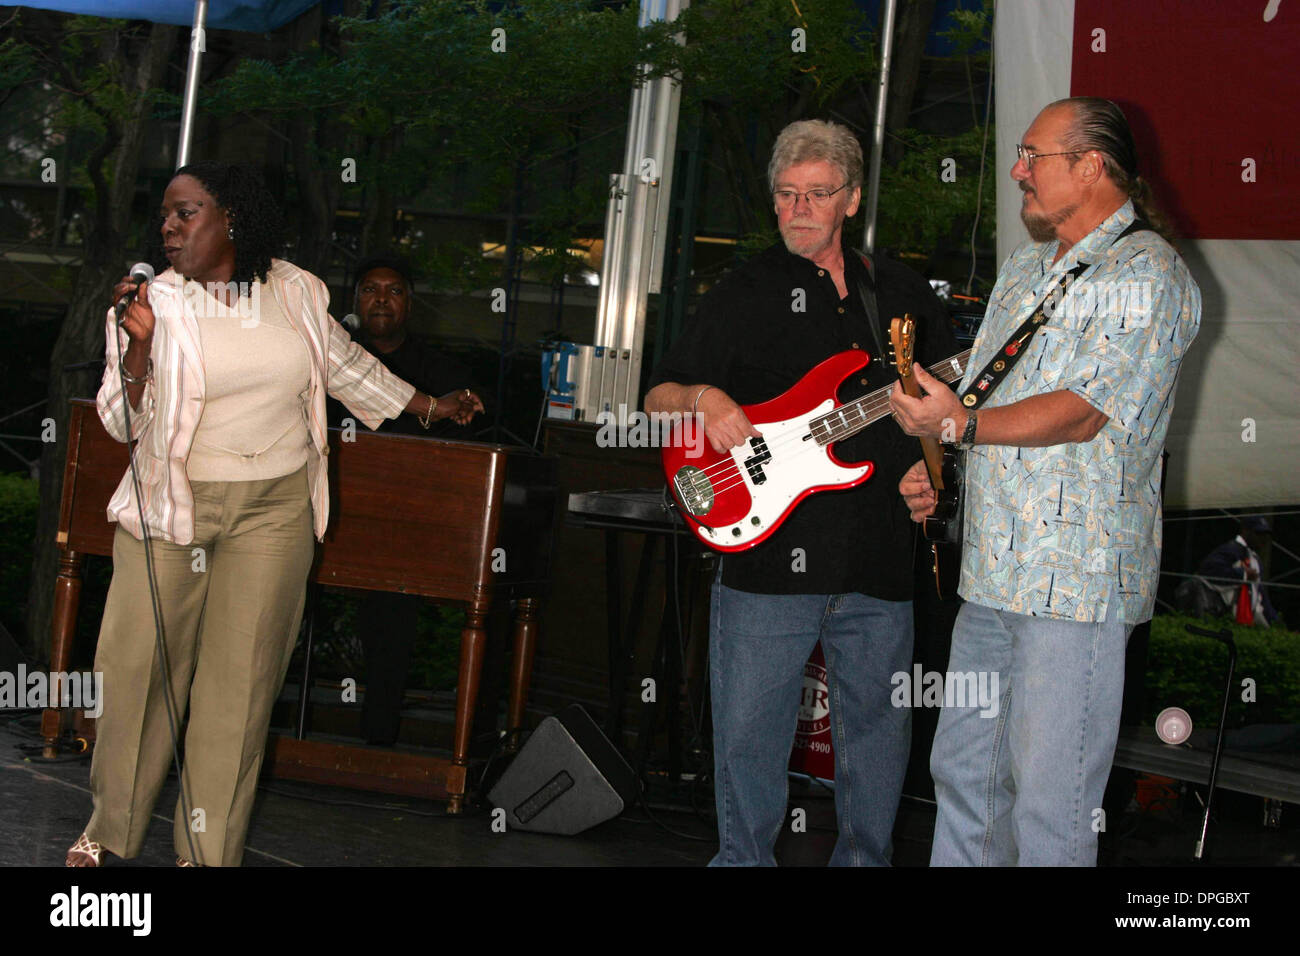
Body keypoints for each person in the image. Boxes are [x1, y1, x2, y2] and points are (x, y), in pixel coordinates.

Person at [66, 161, 480, 867]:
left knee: (241, 686)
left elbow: (345, 365)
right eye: (164, 215)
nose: (168, 228)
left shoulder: (294, 290)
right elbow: (117, 418)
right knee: (136, 672)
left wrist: (428, 405)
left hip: (274, 509)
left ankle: (206, 853)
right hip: (175, 508)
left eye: (185, 213)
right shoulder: (152, 304)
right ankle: (109, 833)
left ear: (232, 218)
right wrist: (137, 350)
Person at [891, 97, 1202, 866]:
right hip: (994, 573)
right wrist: (938, 462)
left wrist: (958, 424)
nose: (1017, 170)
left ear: (1092, 166)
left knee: (1051, 806)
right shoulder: (1027, 268)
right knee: (961, 777)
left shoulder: (1148, 271)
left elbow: (1080, 413)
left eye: (1034, 155)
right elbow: (989, 404)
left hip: (1075, 590)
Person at [645, 119, 953, 866]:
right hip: (766, 555)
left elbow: (945, 412)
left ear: (851, 199)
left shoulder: (902, 294)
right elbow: (658, 396)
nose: (798, 209)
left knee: (880, 740)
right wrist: (706, 395)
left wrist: (934, 474)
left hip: (879, 559)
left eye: (817, 195)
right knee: (750, 736)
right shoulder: (744, 290)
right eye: (785, 195)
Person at [328, 255, 484, 745]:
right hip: (321, 508)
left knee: (391, 611)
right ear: (354, 301)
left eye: (392, 291)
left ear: (409, 304)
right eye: (370, 289)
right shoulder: (330, 355)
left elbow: (466, 408)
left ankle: (379, 745)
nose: (380, 299)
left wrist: (463, 405)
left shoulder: (435, 368)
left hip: (394, 527)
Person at [1191, 517, 1280, 627]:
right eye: (1258, 533)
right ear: (1245, 531)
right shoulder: (1230, 550)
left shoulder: (1255, 559)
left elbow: (1261, 596)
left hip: (1244, 622)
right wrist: (1243, 574)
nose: (1262, 538)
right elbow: (1208, 570)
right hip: (1221, 617)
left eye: (1265, 535)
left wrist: (1277, 624)